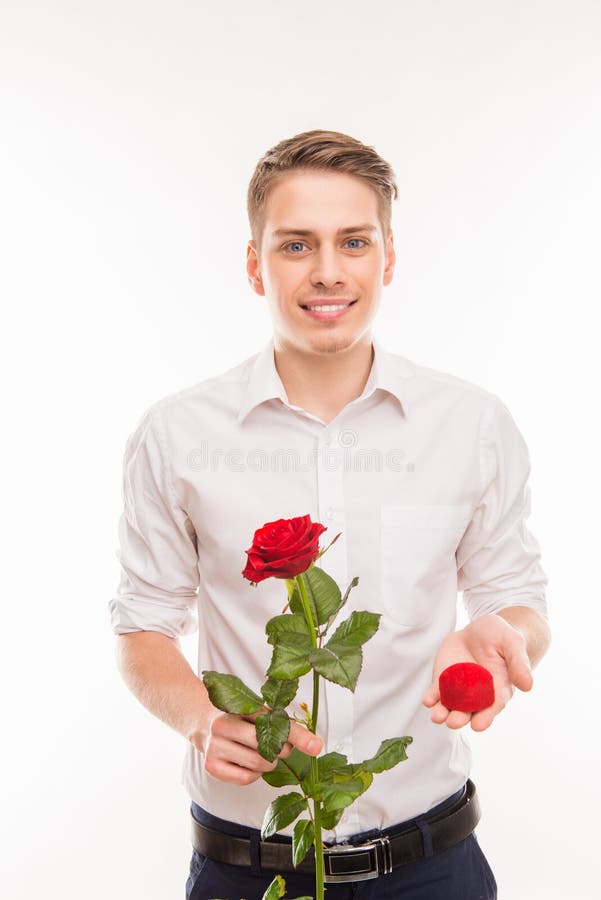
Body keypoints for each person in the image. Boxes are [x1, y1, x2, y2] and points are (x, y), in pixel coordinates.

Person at [109, 129, 550, 900]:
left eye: (352, 241)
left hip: (433, 867)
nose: (326, 272)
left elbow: (514, 595)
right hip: (244, 870)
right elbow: (143, 624)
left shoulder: (471, 424)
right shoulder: (178, 435)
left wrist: (506, 637)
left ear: (387, 257)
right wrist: (197, 719)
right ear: (254, 264)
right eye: (294, 245)